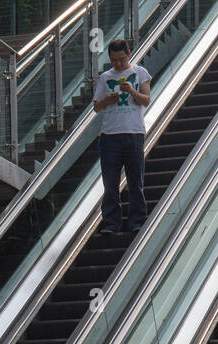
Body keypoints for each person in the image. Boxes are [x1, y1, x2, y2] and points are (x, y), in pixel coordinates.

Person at [94, 39, 151, 235]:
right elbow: (96, 107)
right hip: (110, 135)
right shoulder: (105, 78)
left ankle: (136, 220)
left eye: (122, 59)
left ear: (129, 54)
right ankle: (111, 223)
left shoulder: (139, 72)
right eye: (114, 60)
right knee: (110, 183)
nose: (118, 64)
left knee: (135, 179)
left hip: (134, 132)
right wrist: (107, 100)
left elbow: (146, 100)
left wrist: (131, 91)